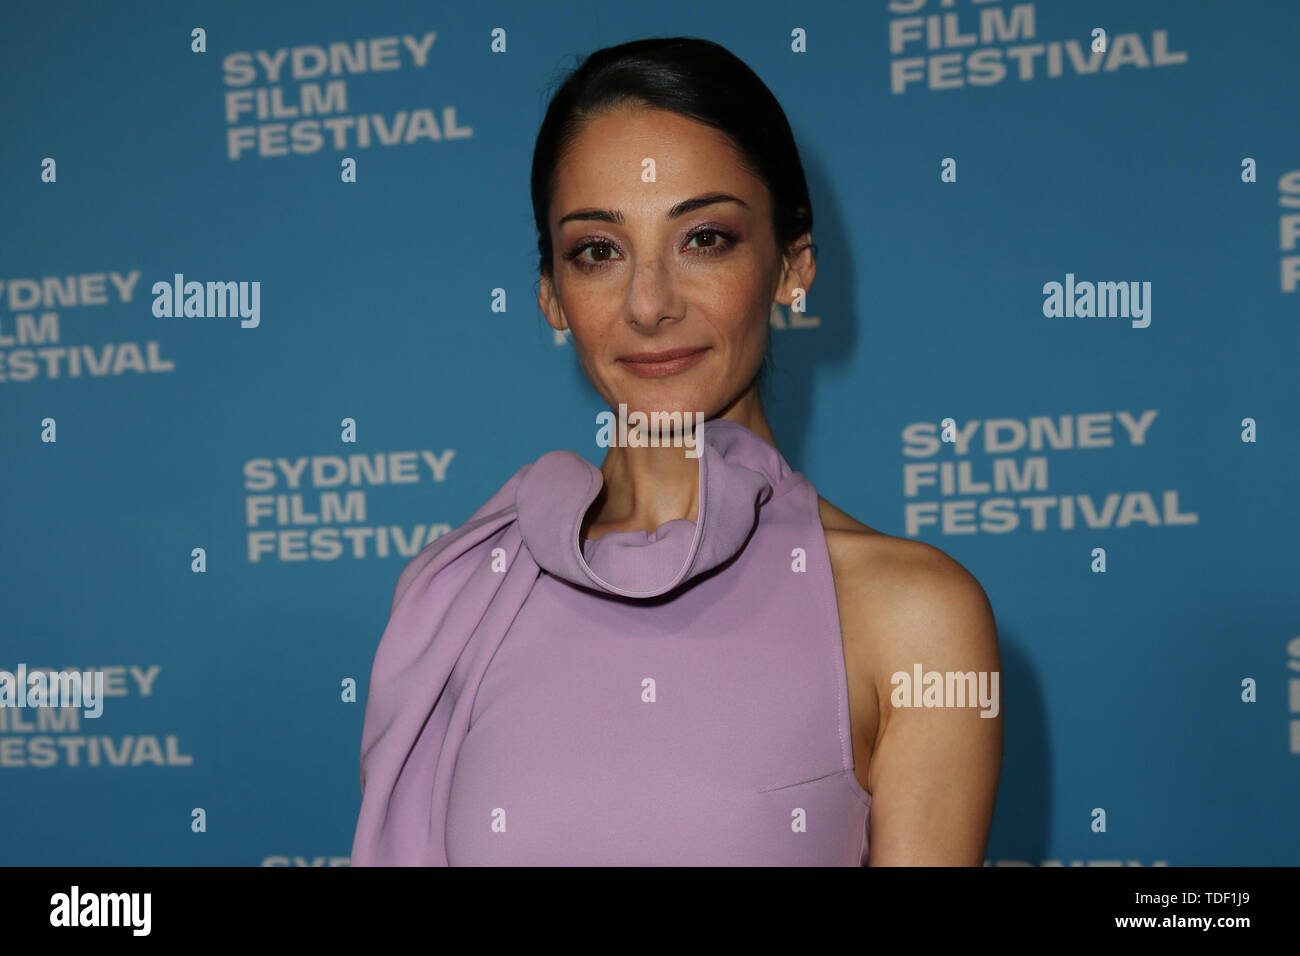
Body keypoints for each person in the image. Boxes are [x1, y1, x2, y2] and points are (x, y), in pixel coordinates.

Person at [351, 35, 1001, 866]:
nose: (649, 304)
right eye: (598, 251)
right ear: (552, 293)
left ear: (791, 267)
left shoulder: (913, 614)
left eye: (705, 239)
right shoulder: (461, 595)